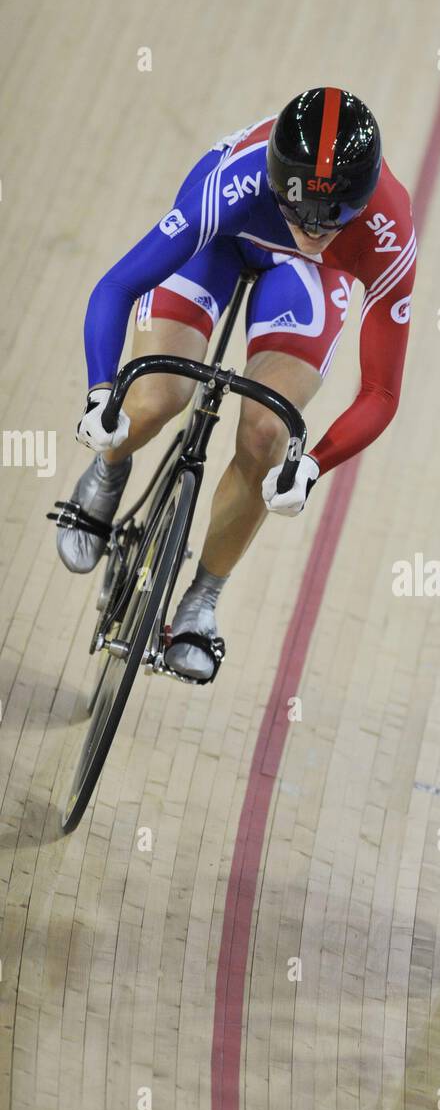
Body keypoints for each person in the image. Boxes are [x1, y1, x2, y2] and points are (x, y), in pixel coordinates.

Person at [58, 87, 416, 680]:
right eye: (302, 213)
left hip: (305, 277)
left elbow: (382, 392)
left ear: (363, 202)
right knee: (156, 395)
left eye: (336, 219)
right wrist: (101, 393)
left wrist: (313, 464)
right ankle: (107, 472)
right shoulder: (233, 185)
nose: (317, 228)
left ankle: (201, 602)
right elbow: (116, 286)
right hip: (222, 240)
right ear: (278, 185)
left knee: (266, 434)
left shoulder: (388, 229)